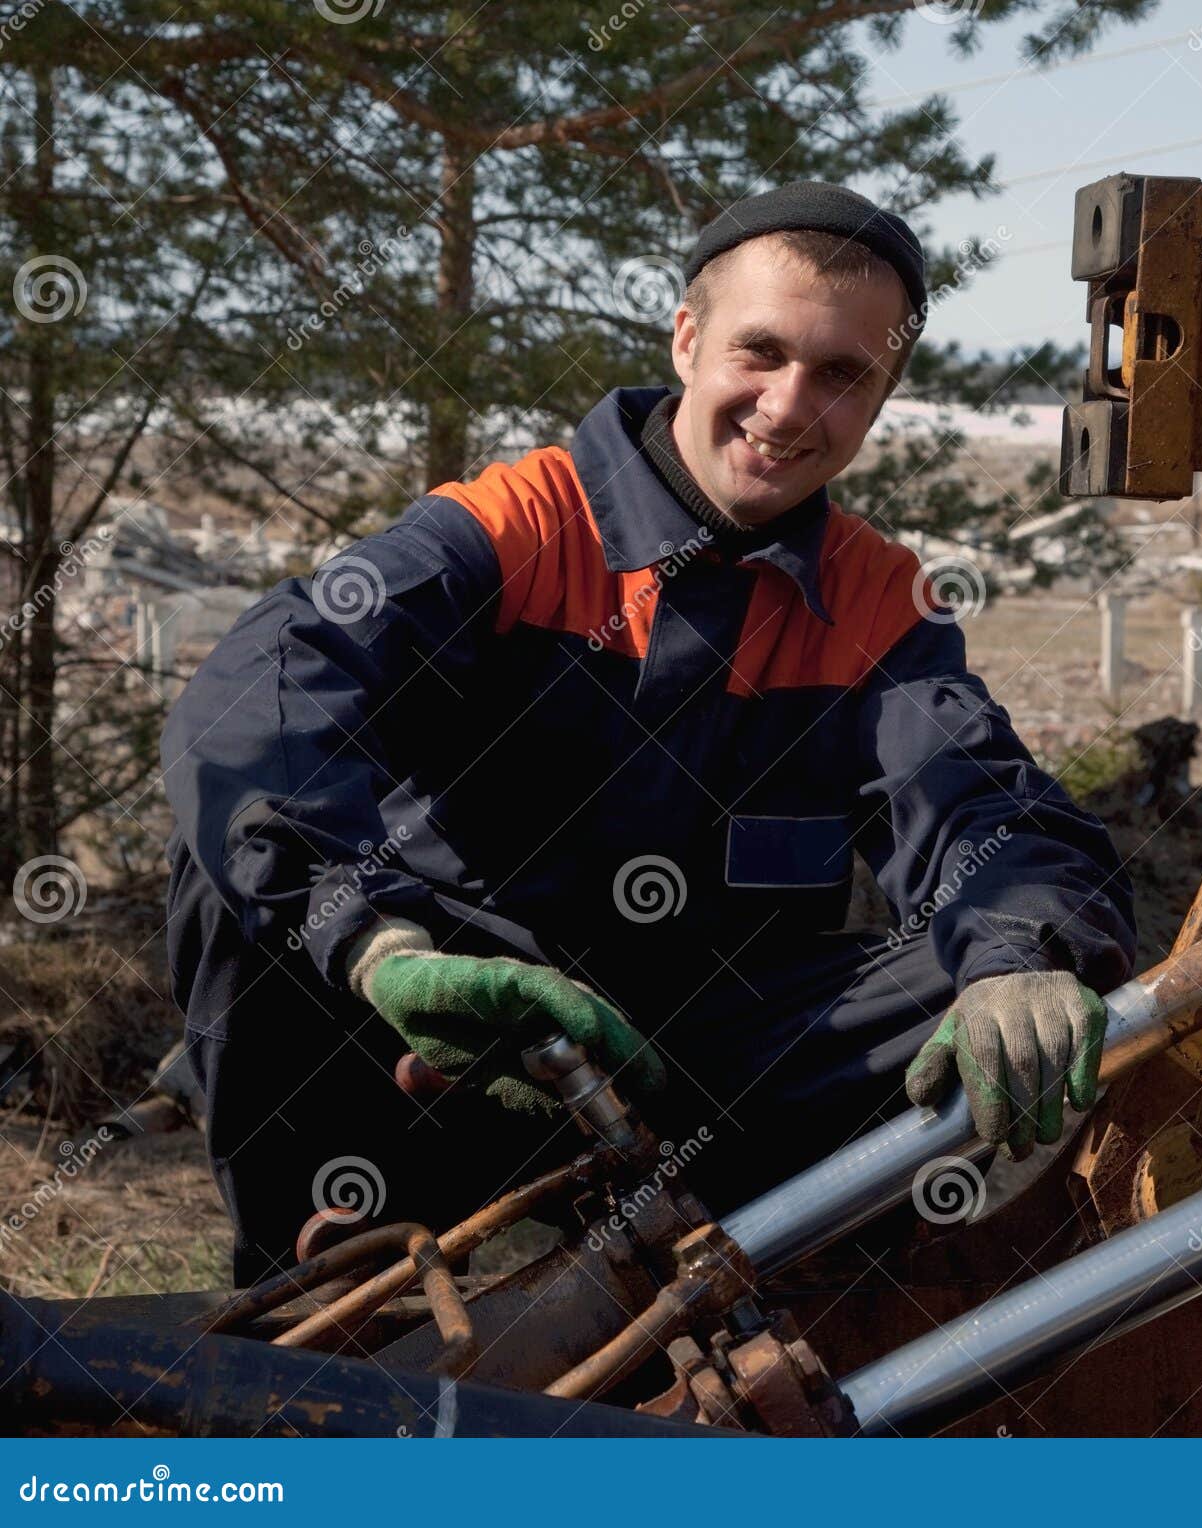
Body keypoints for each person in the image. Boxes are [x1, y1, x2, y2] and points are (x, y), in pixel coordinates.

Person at [160, 181, 1136, 1284]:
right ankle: (313, 1278)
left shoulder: (877, 602)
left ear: (881, 398)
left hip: (687, 1065)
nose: (786, 405)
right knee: (242, 858)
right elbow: (266, 689)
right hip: (446, 1034)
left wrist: (1014, 955)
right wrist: (376, 945)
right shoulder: (519, 523)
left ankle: (759, 1280)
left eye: (842, 375)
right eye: (758, 352)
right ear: (686, 339)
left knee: (990, 974)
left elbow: (987, 809)